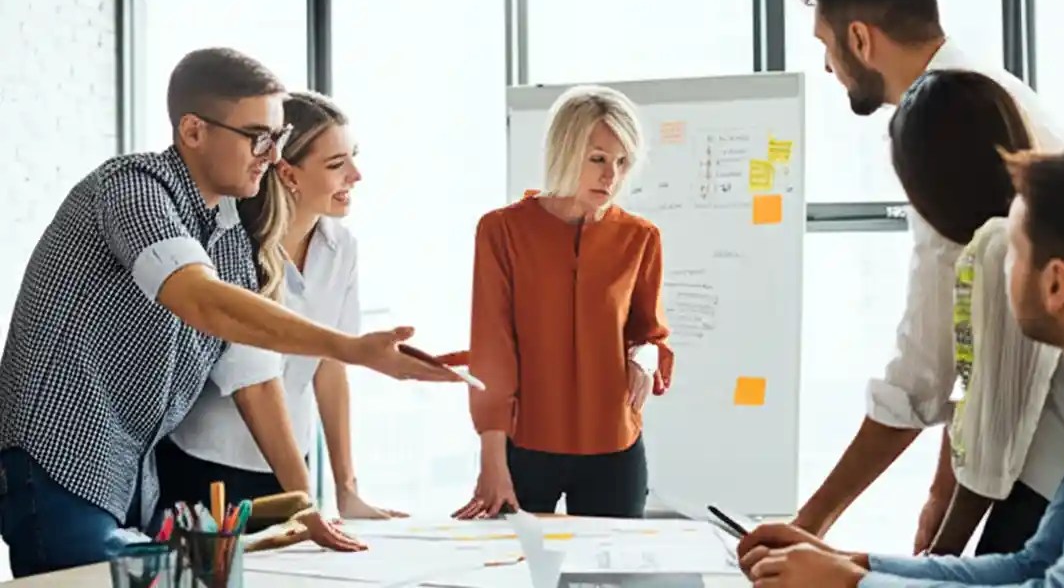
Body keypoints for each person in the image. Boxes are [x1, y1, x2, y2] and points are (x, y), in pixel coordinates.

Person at [0, 48, 457, 577]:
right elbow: (198, 297)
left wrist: (303, 504)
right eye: (258, 136)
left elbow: (257, 379)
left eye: (279, 138)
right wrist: (350, 347)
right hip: (63, 451)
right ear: (193, 131)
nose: (271, 154)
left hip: (132, 468)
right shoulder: (133, 187)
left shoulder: (231, 240)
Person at [738, 143, 1064, 586]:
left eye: (1013, 252)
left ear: (1056, 283)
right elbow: (1035, 564)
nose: (1002, 271)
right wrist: (855, 565)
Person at [783, 0, 1064, 553]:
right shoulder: (987, 93)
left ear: (859, 39)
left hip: (1059, 449)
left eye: (826, 47)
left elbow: (928, 367)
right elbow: (974, 341)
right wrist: (943, 493)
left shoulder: (939, 131)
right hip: (1052, 435)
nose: (829, 69)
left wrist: (811, 524)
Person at [158, 90, 409, 552]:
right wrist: (305, 501)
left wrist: (345, 489)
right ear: (289, 173)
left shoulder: (342, 248)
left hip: (293, 466)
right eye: (337, 164)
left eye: (353, 157)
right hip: (210, 468)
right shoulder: (234, 250)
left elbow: (331, 366)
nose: (356, 175)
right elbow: (256, 382)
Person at [452, 85, 672, 520]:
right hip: (526, 447)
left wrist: (646, 358)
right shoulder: (502, 231)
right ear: (565, 150)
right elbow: (493, 351)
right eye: (597, 159)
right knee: (511, 572)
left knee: (616, 580)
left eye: (622, 163)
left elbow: (649, 333)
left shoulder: (640, 238)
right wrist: (492, 461)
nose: (611, 176)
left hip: (614, 446)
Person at [885, 70, 1064, 556]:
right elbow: (975, 390)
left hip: (1061, 485)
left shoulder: (1000, 247)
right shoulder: (1056, 213)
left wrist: (934, 563)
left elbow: (991, 448)